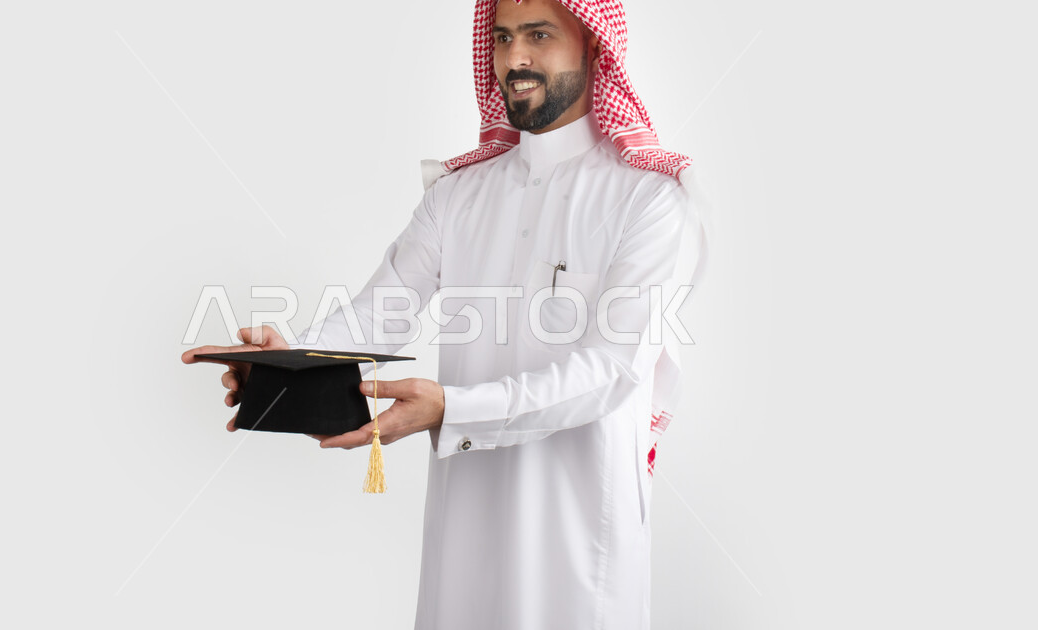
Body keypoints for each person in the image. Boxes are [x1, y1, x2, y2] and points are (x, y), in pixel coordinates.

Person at [184, 0, 706, 627]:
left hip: (577, 530)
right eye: (504, 37)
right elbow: (377, 315)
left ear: (595, 46)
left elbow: (612, 371)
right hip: (466, 520)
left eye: (539, 35)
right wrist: (284, 359)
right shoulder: (459, 197)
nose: (515, 59)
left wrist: (452, 410)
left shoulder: (647, 200)